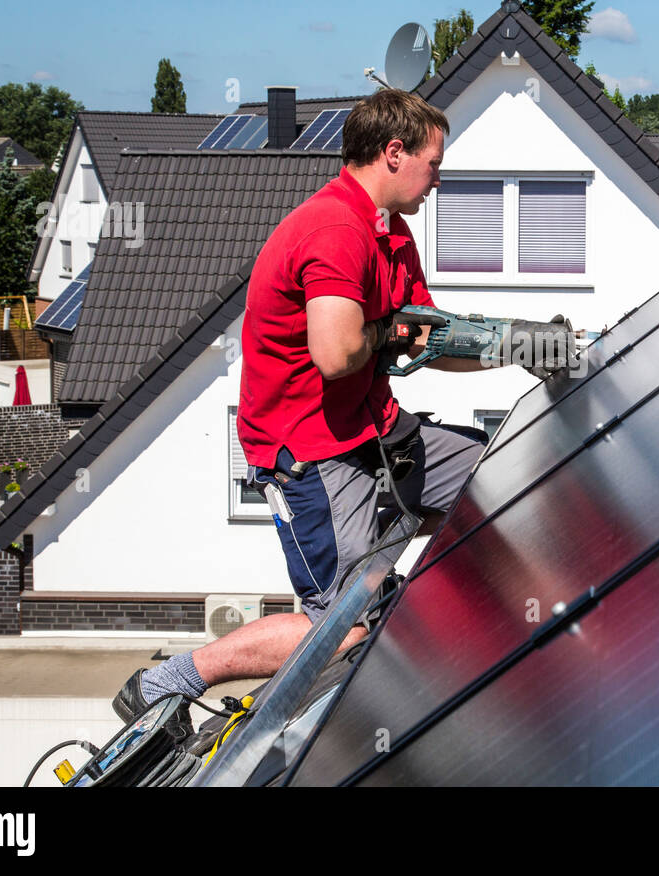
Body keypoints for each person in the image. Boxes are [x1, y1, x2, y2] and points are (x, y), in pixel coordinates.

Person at [112, 89, 570, 728]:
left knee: (504, 476)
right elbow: (336, 352)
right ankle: (172, 678)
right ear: (393, 152)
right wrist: (391, 335)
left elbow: (426, 335)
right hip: (311, 454)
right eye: (433, 164)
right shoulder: (335, 231)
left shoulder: (390, 231)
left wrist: (521, 344)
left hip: (374, 426)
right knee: (343, 630)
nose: (439, 179)